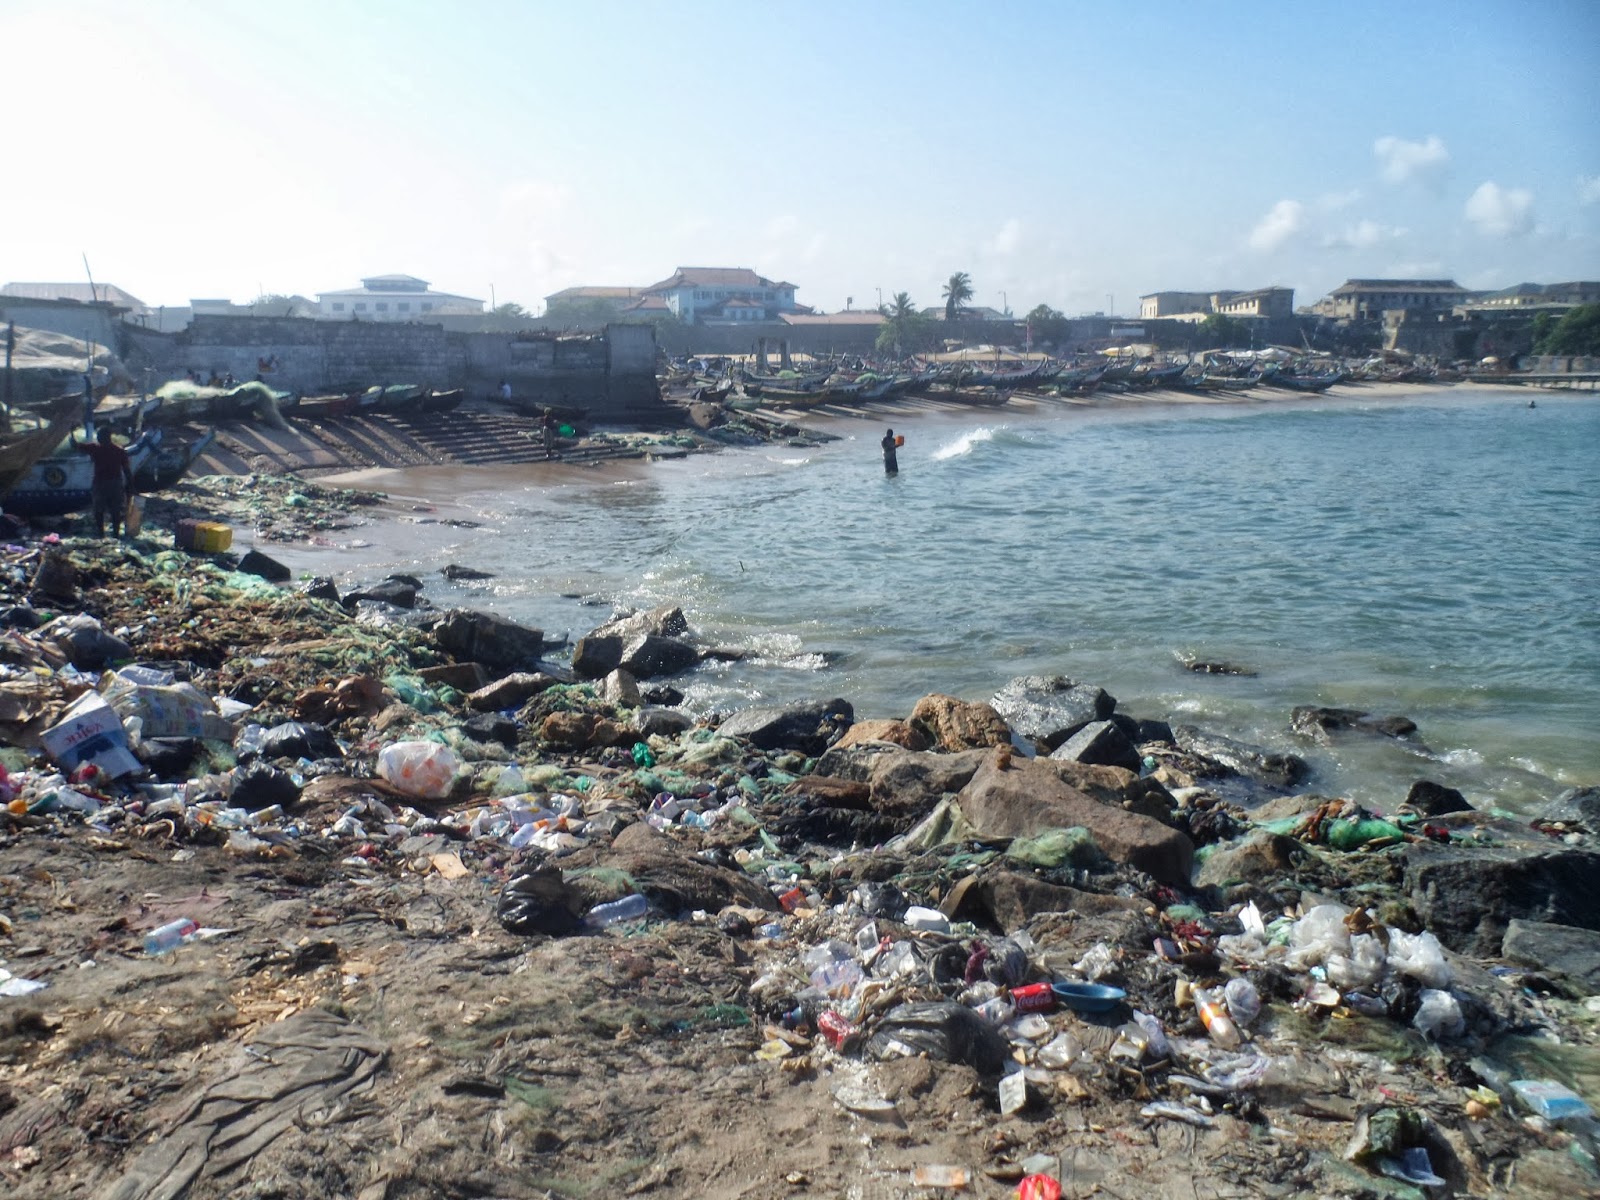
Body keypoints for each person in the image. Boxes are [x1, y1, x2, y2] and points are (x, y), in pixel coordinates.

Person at [73, 427, 135, 539]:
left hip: (100, 483)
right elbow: (127, 470)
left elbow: (76, 446)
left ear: (104, 437)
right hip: (115, 483)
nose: (98, 439)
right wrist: (131, 486)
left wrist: (71, 433)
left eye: (99, 437)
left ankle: (101, 533)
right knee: (115, 510)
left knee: (99, 510)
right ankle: (115, 533)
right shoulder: (119, 451)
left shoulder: (95, 448)